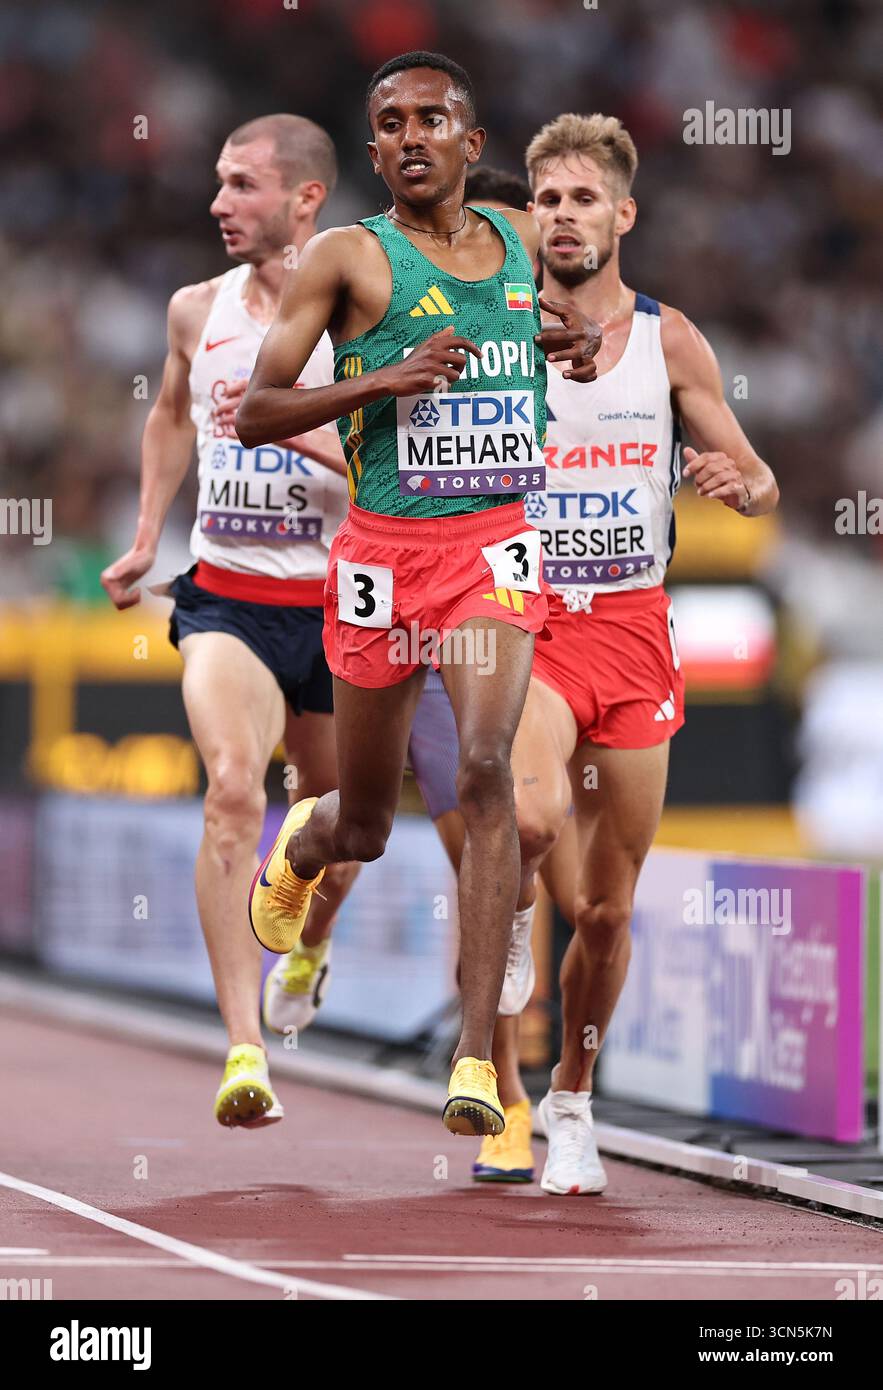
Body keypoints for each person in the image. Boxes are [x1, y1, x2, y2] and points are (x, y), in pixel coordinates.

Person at [236, 53, 599, 1137]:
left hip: (492, 547)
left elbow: (555, 331)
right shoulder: (348, 257)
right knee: (366, 822)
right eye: (387, 123)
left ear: (470, 144)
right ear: (373, 149)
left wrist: (568, 343)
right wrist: (383, 379)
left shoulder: (524, 244)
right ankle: (305, 845)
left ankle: (476, 1054)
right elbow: (257, 410)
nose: (407, 137)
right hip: (378, 556)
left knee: (487, 772)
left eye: (428, 119)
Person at [479, 112, 780, 1193]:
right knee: (527, 814)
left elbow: (759, 480)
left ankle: (573, 1099)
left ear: (622, 214)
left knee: (606, 911)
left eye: (580, 199)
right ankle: (507, 925)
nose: (562, 216)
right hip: (532, 616)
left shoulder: (671, 339)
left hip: (636, 629)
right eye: (546, 199)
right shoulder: (499, 332)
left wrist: (733, 483)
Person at [101, 114, 359, 1128]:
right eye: (217, 182)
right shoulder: (193, 311)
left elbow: (394, 455)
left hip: (343, 605)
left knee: (345, 824)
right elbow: (171, 413)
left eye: (243, 185)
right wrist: (145, 531)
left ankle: (308, 941)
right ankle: (244, 1046)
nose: (218, 203)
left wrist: (301, 430)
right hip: (229, 596)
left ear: (304, 200)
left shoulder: (362, 321)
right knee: (233, 792)